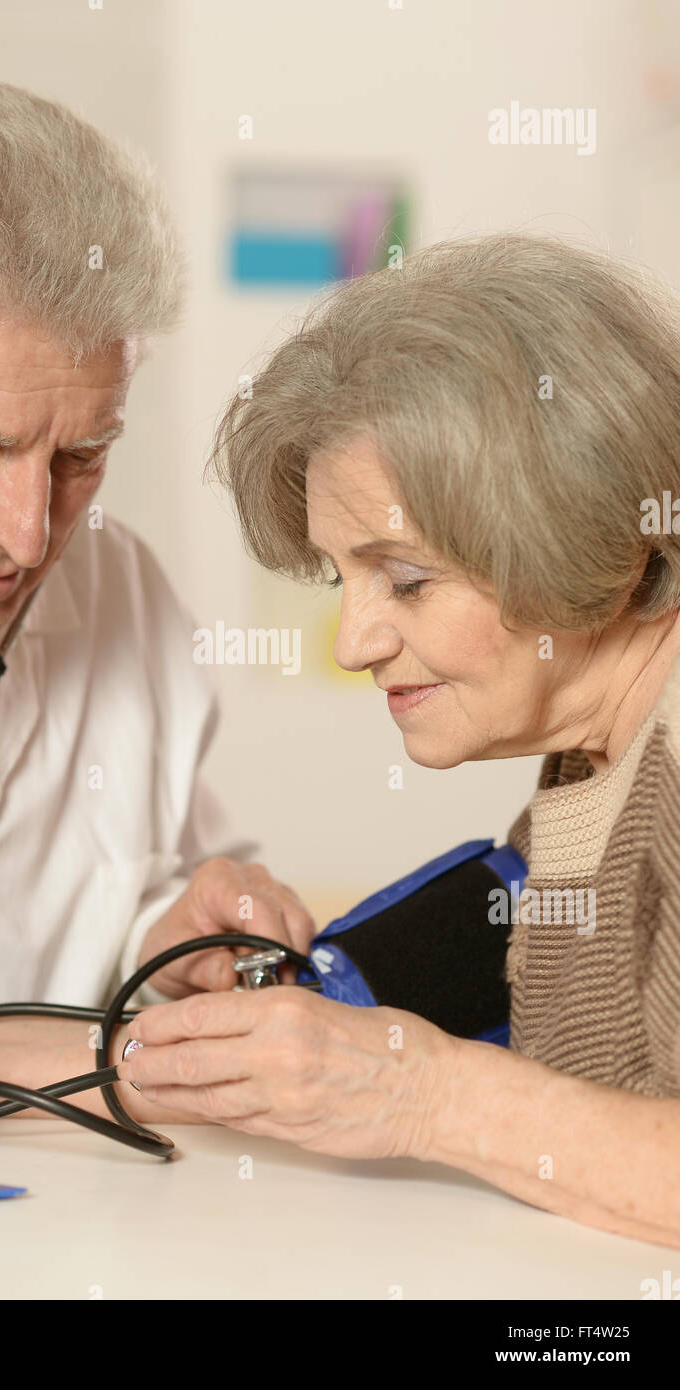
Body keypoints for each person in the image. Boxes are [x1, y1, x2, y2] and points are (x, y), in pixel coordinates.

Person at [113, 233, 680, 1249]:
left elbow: (425, 1078)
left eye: (406, 579)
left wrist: (426, 1095)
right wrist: (205, 989)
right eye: (344, 579)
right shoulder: (587, 769)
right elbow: (393, 1002)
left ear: (584, 525)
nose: (353, 641)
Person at [0, 80, 314, 1153]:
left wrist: (170, 939)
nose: (30, 533)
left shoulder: (119, 588)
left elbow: (137, 878)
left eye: (83, 454)